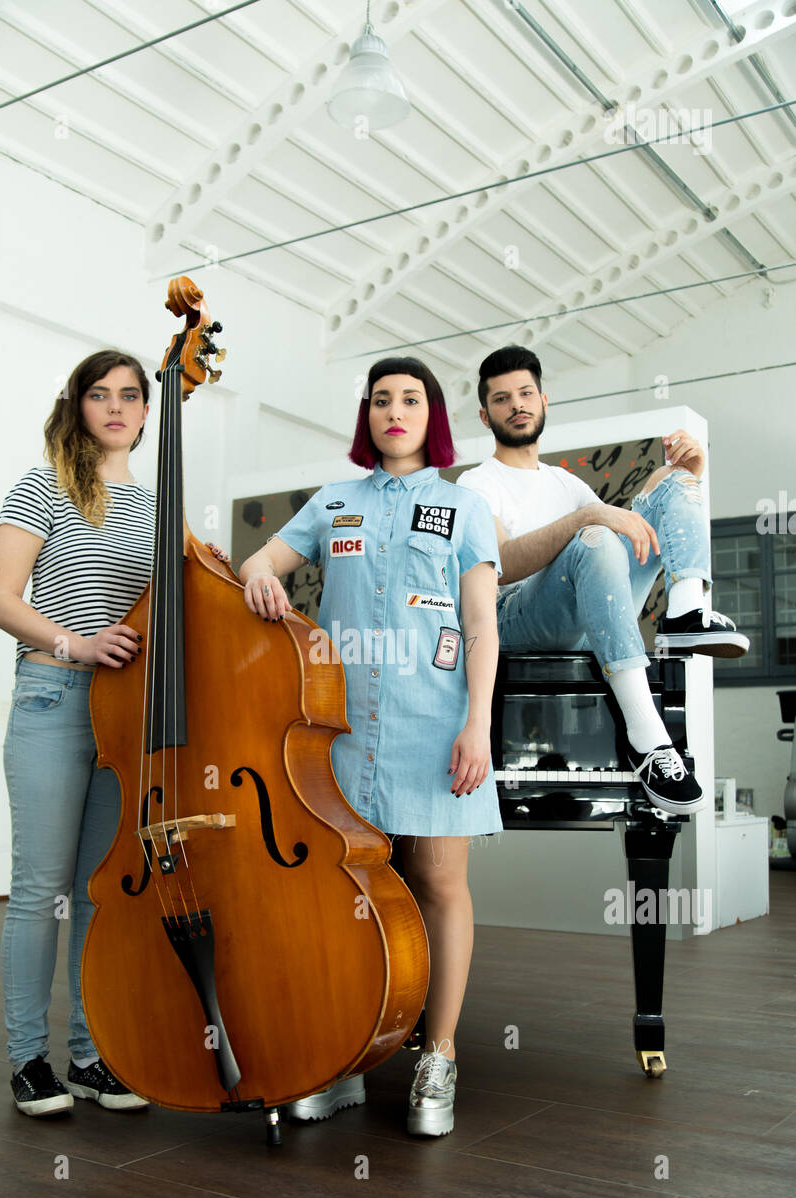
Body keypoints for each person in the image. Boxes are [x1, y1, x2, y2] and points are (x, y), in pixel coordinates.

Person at [236, 356, 502, 1137]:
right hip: (343, 732)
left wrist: (478, 722)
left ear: (432, 416)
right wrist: (260, 579)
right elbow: (260, 560)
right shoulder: (333, 503)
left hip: (435, 721)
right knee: (344, 889)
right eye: (381, 400)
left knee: (436, 879)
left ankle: (439, 1054)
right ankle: (345, 1057)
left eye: (410, 399)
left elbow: (483, 625)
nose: (395, 411)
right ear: (367, 415)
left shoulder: (464, 508)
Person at [0, 350, 161, 1117]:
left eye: (130, 395)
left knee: (99, 893)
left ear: (150, 414)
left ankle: (90, 1058)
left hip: (126, 714)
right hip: (55, 696)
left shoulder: (158, 509)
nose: (116, 406)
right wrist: (77, 644)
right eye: (100, 394)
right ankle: (29, 1060)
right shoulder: (46, 484)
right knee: (39, 891)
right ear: (79, 405)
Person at [459, 345, 749, 814]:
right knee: (594, 534)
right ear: (484, 414)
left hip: (584, 612)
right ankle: (647, 736)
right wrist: (589, 517)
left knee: (673, 481)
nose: (517, 405)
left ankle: (686, 610)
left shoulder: (565, 483)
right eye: (502, 398)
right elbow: (504, 564)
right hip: (512, 619)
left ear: (544, 400)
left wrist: (680, 477)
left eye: (526, 393)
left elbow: (619, 546)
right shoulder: (476, 484)